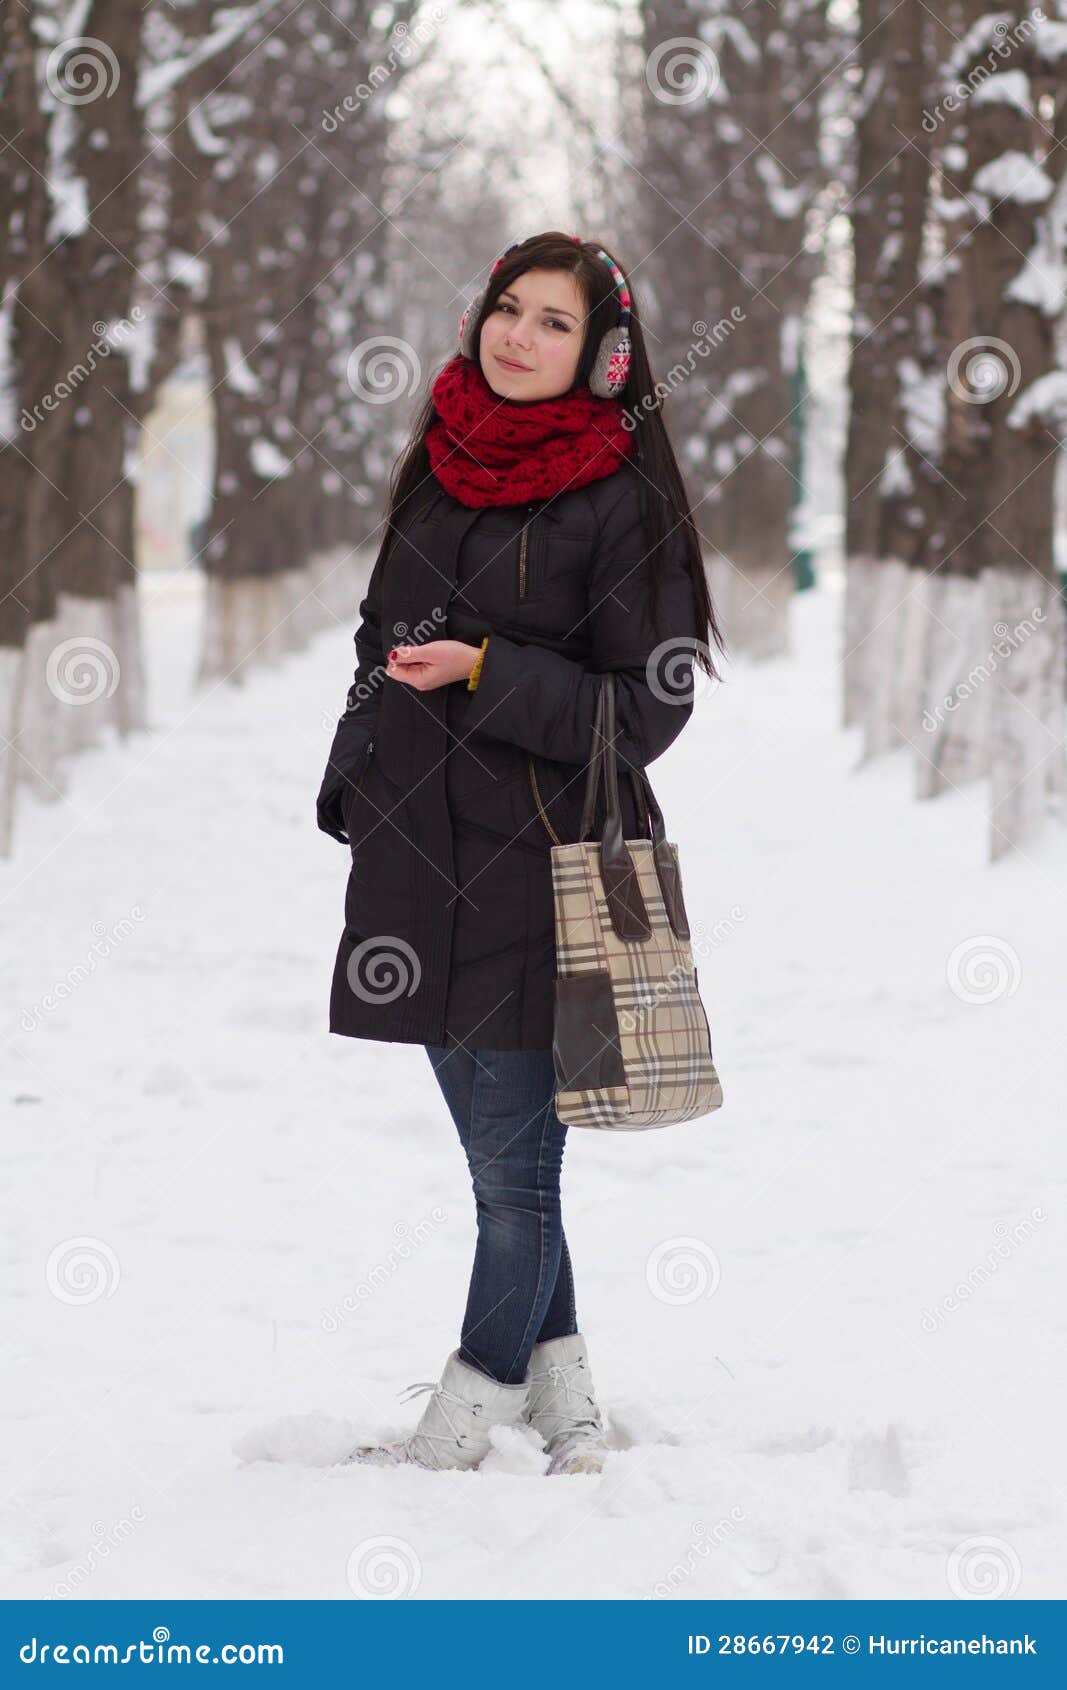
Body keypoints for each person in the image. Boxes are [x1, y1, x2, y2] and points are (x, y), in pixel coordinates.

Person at [316, 230, 725, 1474]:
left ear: (603, 357)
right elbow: (375, 638)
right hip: (411, 857)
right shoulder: (435, 464)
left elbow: (647, 705)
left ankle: (458, 1422)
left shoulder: (619, 499)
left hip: (539, 876)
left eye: (554, 321)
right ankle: (568, 1404)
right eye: (508, 307)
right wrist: (351, 779)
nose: (519, 336)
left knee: (511, 1183)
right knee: (506, 1168)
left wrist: (487, 670)